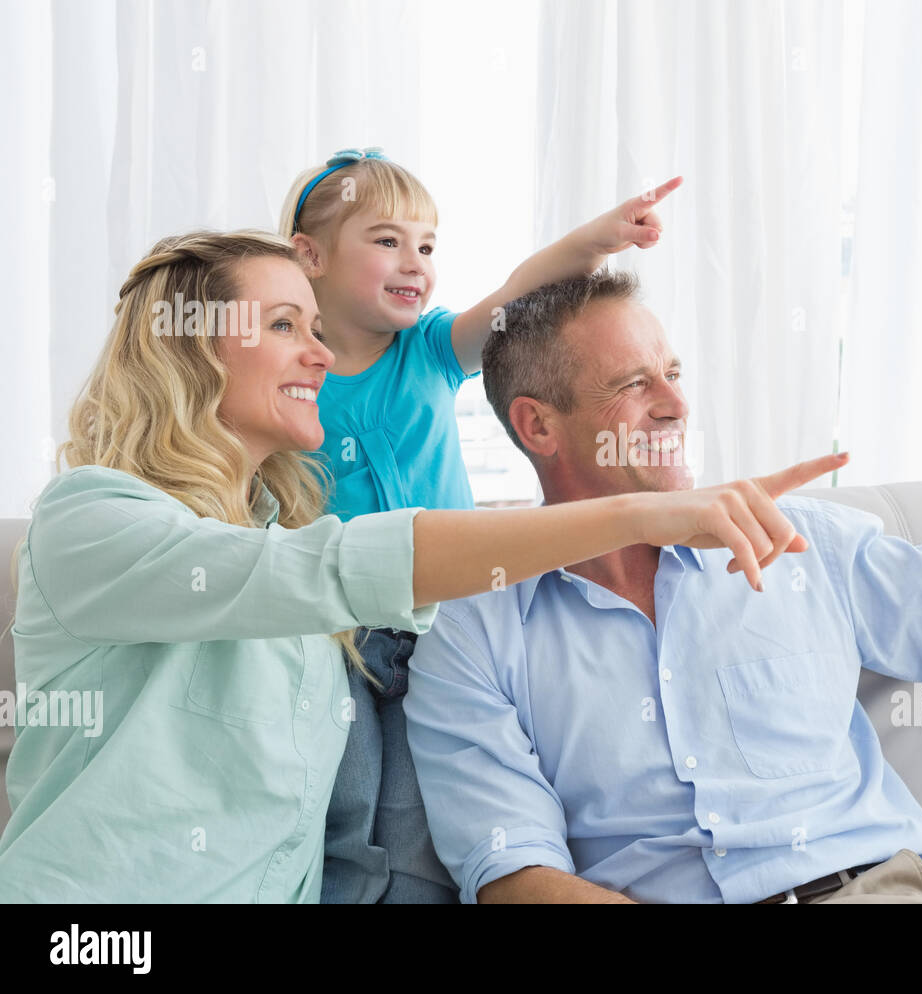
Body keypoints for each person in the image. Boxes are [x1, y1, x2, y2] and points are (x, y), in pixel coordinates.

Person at [0, 230, 843, 903]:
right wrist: (647, 509)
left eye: (319, 329)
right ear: (184, 348)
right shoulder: (91, 520)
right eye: (284, 326)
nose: (322, 355)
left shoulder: (307, 590)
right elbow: (328, 567)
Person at [404, 269, 922, 904]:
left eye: (674, 372)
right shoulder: (472, 631)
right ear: (537, 425)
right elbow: (516, 877)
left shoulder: (804, 544)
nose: (676, 404)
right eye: (633, 385)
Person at [279, 145, 684, 903]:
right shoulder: (292, 378)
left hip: (440, 631)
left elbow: (512, 293)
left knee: (413, 816)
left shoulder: (430, 350)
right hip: (335, 640)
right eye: (387, 240)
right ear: (310, 255)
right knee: (343, 799)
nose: (415, 262)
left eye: (426, 246)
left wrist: (594, 242)